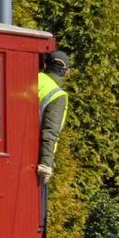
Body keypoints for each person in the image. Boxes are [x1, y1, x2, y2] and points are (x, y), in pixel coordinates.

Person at [38, 50, 71, 182]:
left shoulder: (32, 78)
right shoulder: (57, 94)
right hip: (35, 155)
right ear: (65, 71)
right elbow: (50, 131)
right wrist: (46, 164)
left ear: (46, 65)